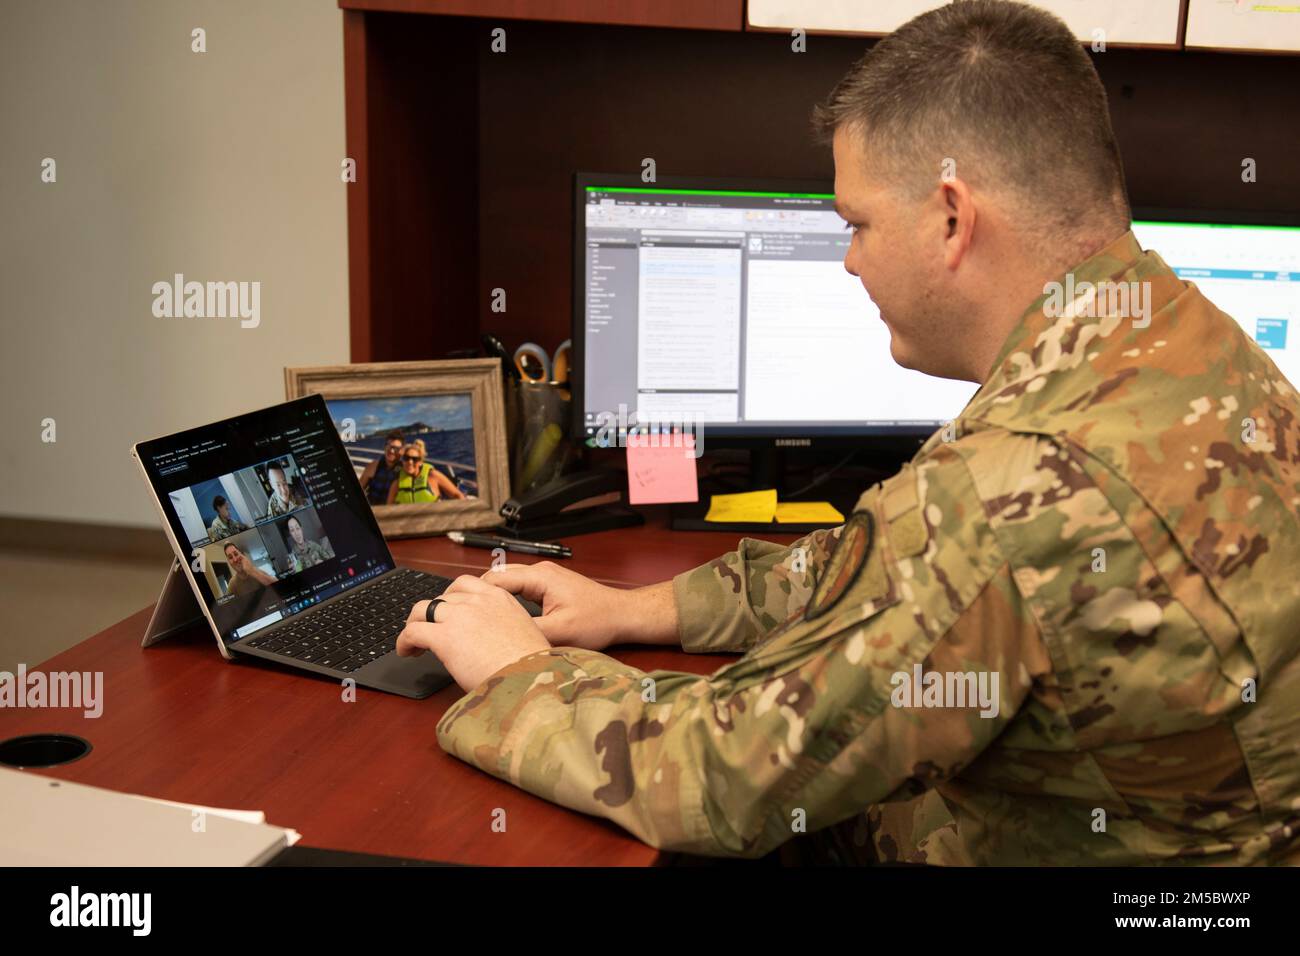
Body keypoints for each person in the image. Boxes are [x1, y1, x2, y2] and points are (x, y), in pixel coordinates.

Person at [393, 0, 1300, 865]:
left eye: (857, 222)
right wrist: (643, 608)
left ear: (952, 217)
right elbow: (891, 571)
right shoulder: (1178, 339)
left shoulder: (1009, 490)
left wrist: (517, 675)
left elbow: (714, 779)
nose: (849, 257)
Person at [387, 440, 466, 504]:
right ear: (402, 461)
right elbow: (389, 508)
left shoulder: (433, 476)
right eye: (406, 458)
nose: (410, 462)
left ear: (421, 462)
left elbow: (458, 495)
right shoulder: (396, 484)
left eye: (415, 459)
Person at [359, 432, 405, 506]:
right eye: (389, 446)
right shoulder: (373, 466)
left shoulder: (404, 470)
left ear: (402, 451)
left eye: (396, 448)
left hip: (389, 513)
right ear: (385, 447)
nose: (391, 451)